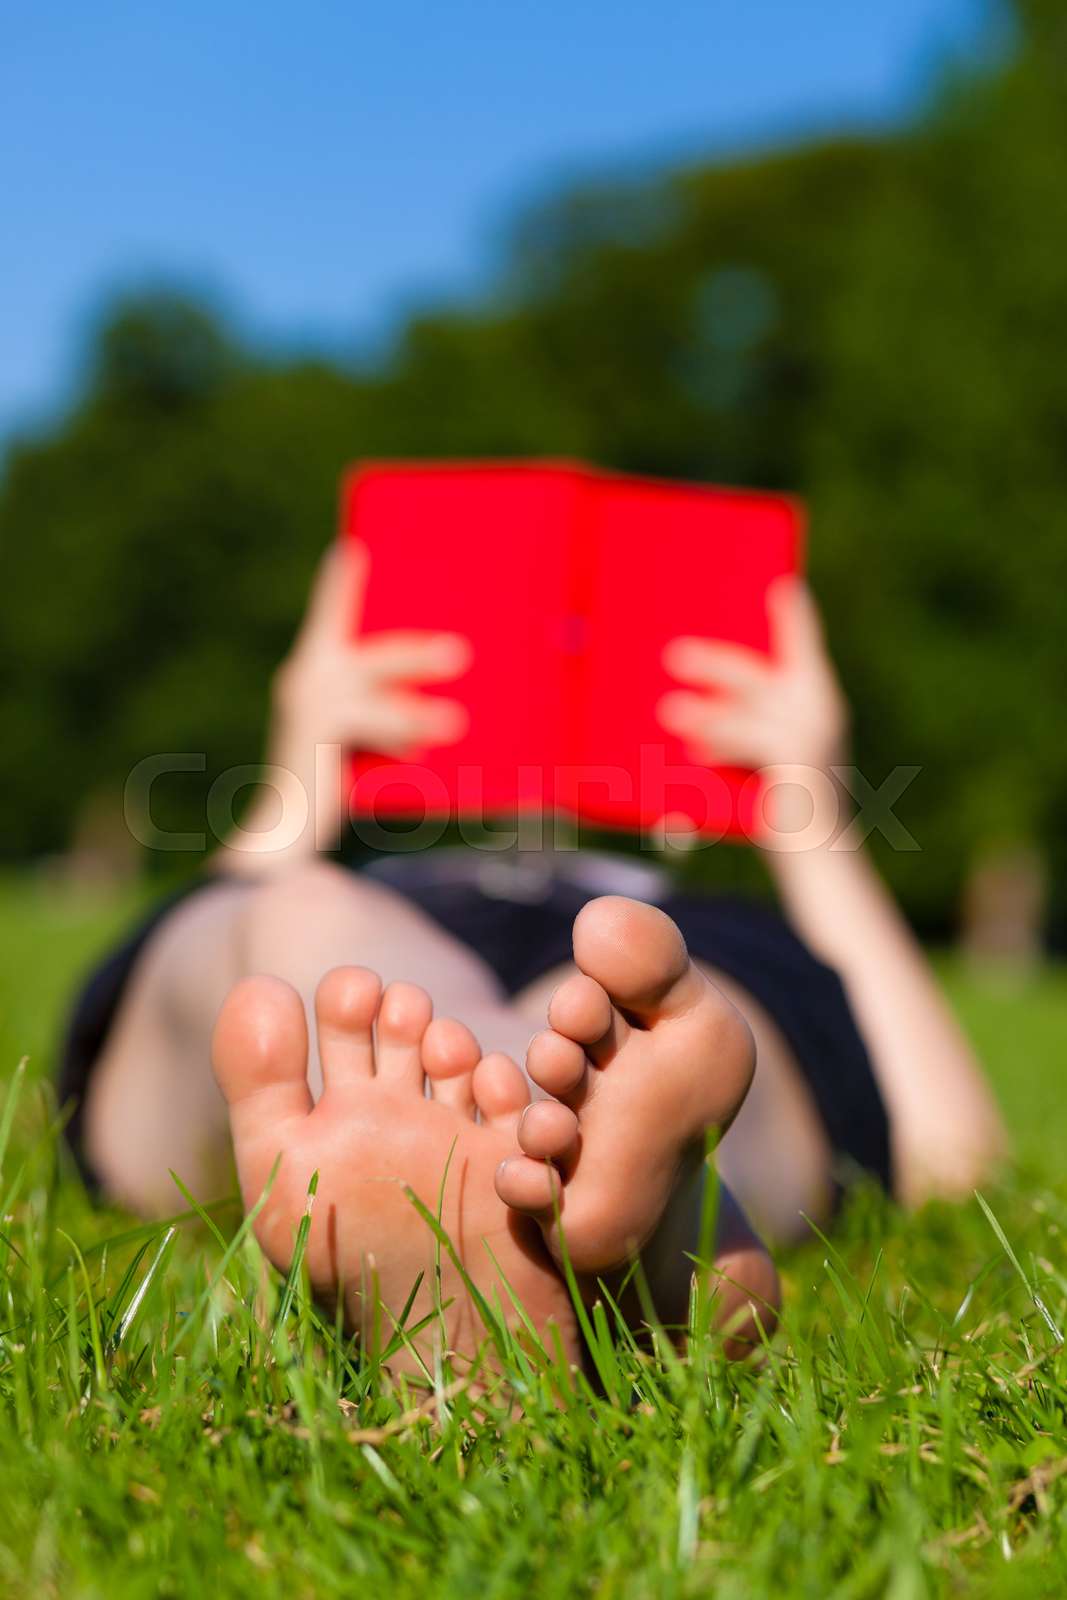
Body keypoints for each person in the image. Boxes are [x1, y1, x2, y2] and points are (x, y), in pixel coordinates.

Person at [58, 539, 1006, 1371]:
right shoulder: (335, 860)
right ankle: (643, 1220)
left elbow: (955, 1152)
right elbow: (948, 1145)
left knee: (654, 1004)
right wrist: (301, 779)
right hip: (396, 895)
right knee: (309, 926)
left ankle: (519, 1183)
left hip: (652, 928)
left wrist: (806, 804)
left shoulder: (687, 920)